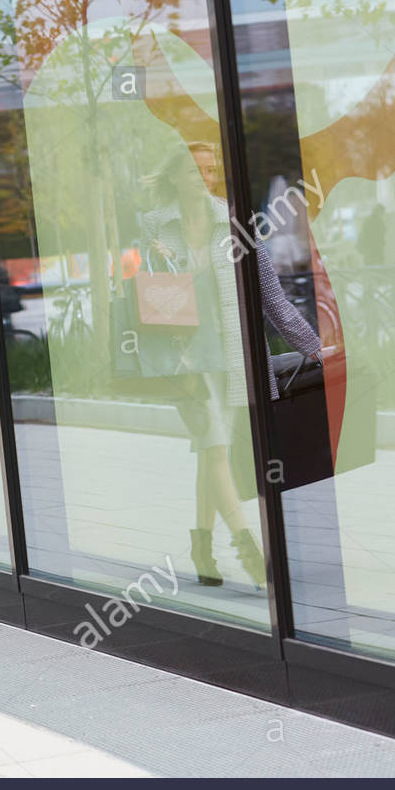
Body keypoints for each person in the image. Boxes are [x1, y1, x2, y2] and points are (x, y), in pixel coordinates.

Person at [139, 141, 321, 590]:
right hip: (184, 360)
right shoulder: (153, 229)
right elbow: (144, 296)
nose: (205, 178)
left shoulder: (237, 226)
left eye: (210, 170)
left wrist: (315, 349)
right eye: (195, 171)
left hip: (231, 359)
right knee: (216, 445)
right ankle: (249, 550)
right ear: (176, 178)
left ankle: (202, 545)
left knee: (211, 452)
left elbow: (272, 300)